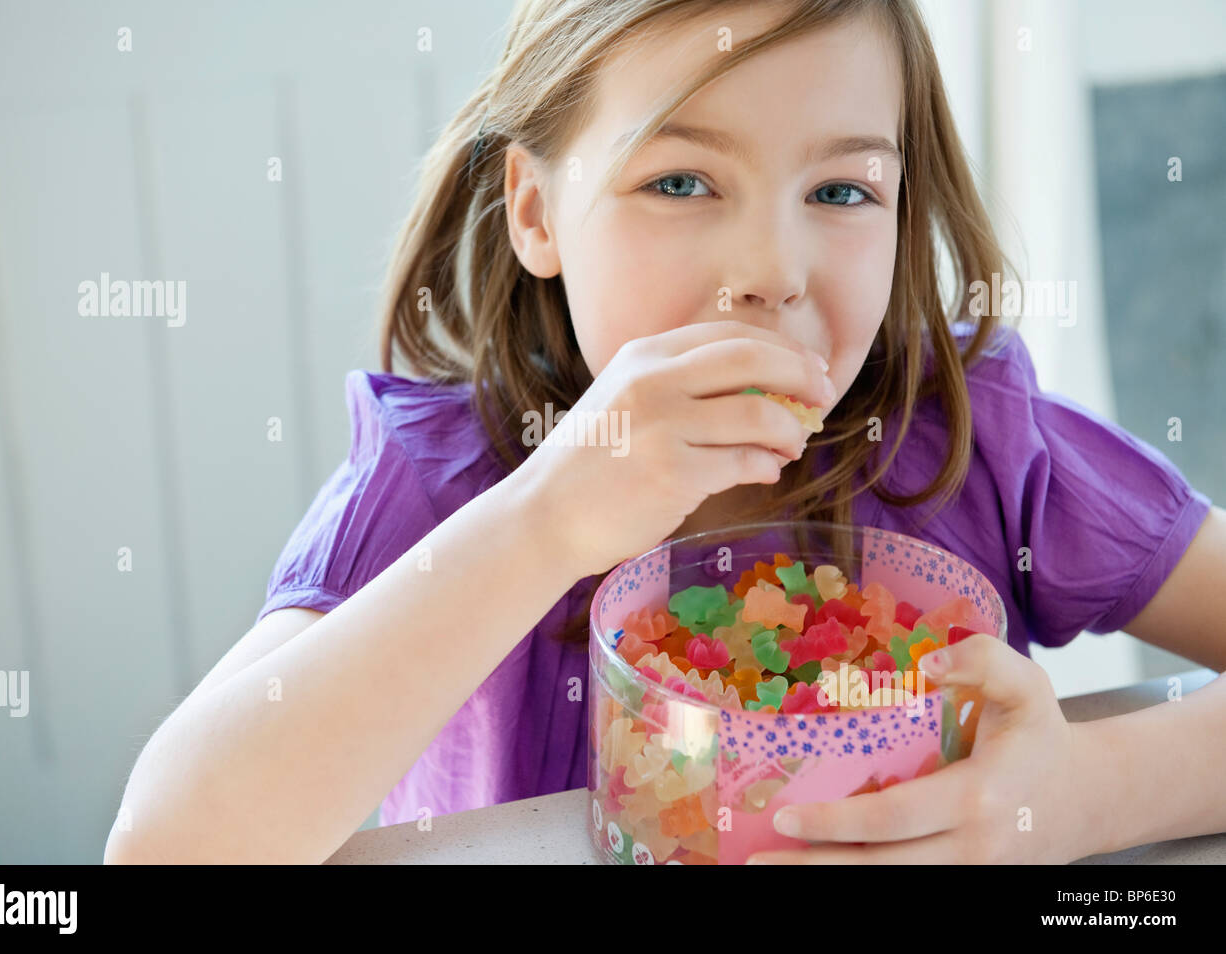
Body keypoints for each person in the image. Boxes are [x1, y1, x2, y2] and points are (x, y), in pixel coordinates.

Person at [106, 0, 1225, 864]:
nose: (772, 275)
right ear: (537, 213)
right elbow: (167, 847)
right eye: (681, 180)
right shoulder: (438, 485)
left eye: (840, 192)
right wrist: (543, 525)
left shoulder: (979, 440)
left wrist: (1081, 793)